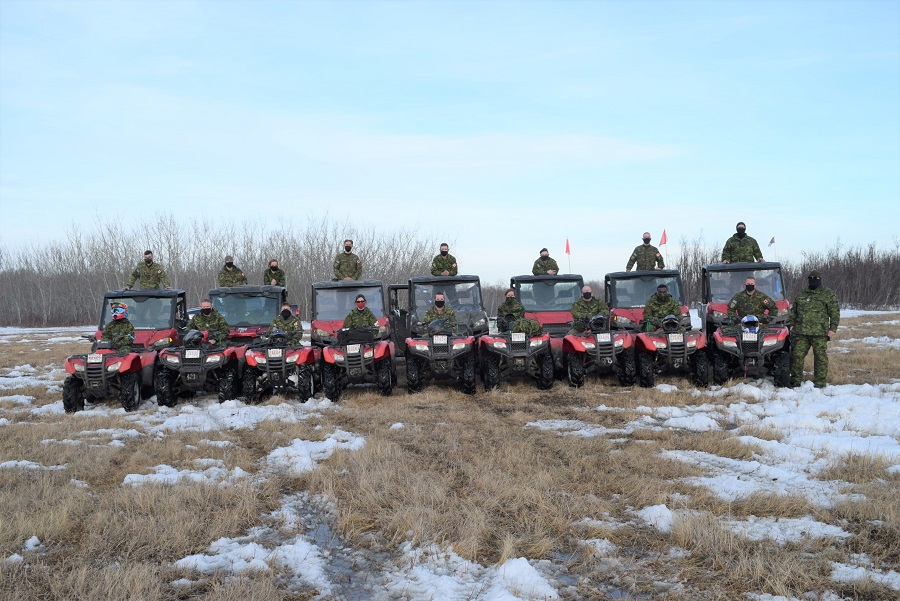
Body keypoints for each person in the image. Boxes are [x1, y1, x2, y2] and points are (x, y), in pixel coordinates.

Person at [790, 270, 839, 388]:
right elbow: (794, 311)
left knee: (820, 357)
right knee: (796, 355)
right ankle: (796, 379)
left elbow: (834, 312)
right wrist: (791, 324)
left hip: (820, 332)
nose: (813, 280)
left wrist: (832, 328)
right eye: (810, 278)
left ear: (820, 280)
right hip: (801, 332)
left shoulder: (827, 294)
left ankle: (820, 381)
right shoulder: (802, 293)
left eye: (815, 279)